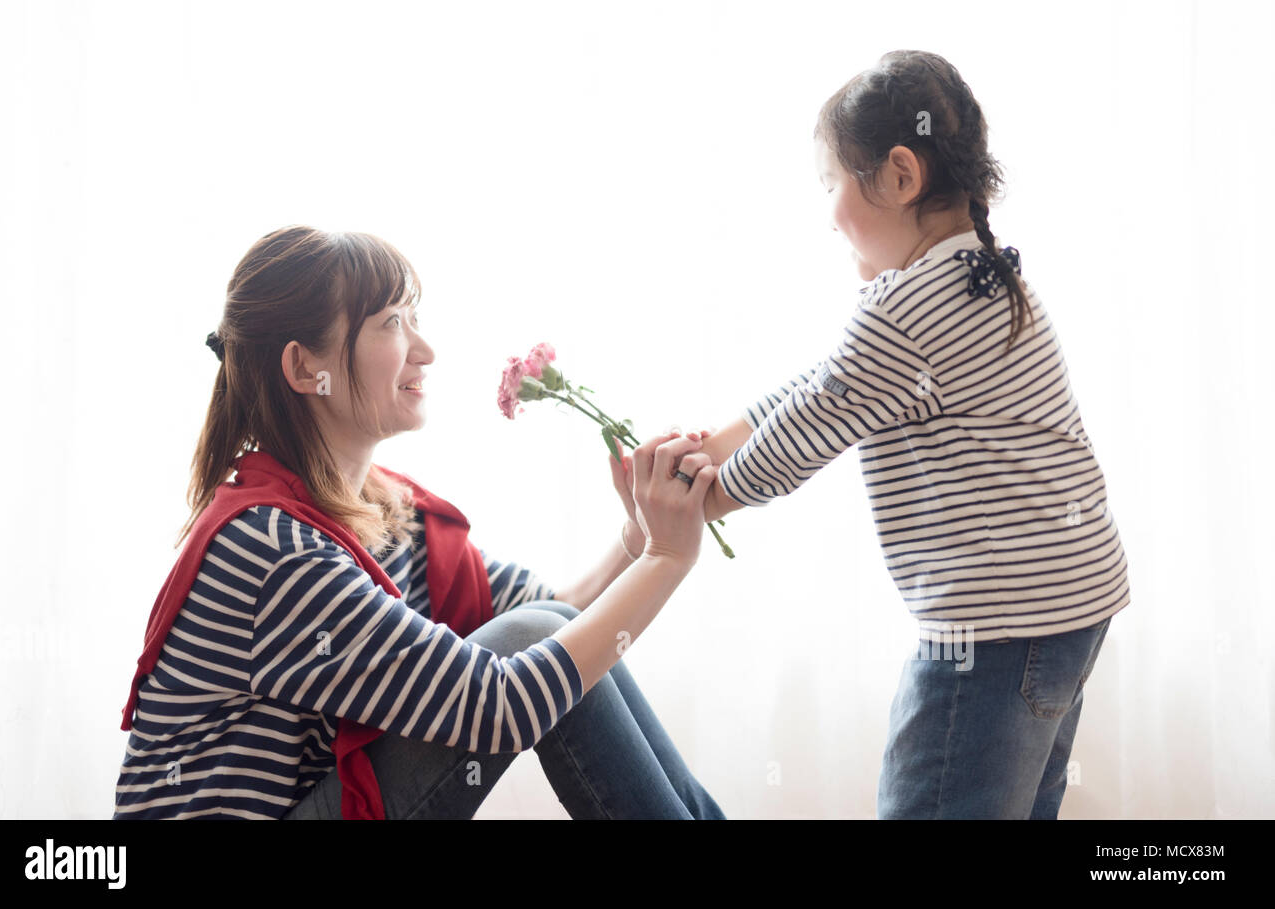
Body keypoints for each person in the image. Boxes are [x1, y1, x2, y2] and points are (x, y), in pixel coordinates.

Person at [113, 225, 725, 819]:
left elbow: (559, 612)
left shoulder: (380, 511)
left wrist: (639, 538)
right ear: (304, 369)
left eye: (414, 319)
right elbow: (501, 704)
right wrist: (667, 560)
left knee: (547, 630)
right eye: (390, 325)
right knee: (533, 642)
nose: (425, 351)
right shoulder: (275, 550)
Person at [694, 50, 1129, 819]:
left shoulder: (903, 309)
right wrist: (717, 436)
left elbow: (809, 430)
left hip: (996, 627)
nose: (827, 211)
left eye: (830, 182)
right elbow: (827, 383)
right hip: (1070, 607)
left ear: (900, 175)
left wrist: (698, 500)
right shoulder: (984, 272)